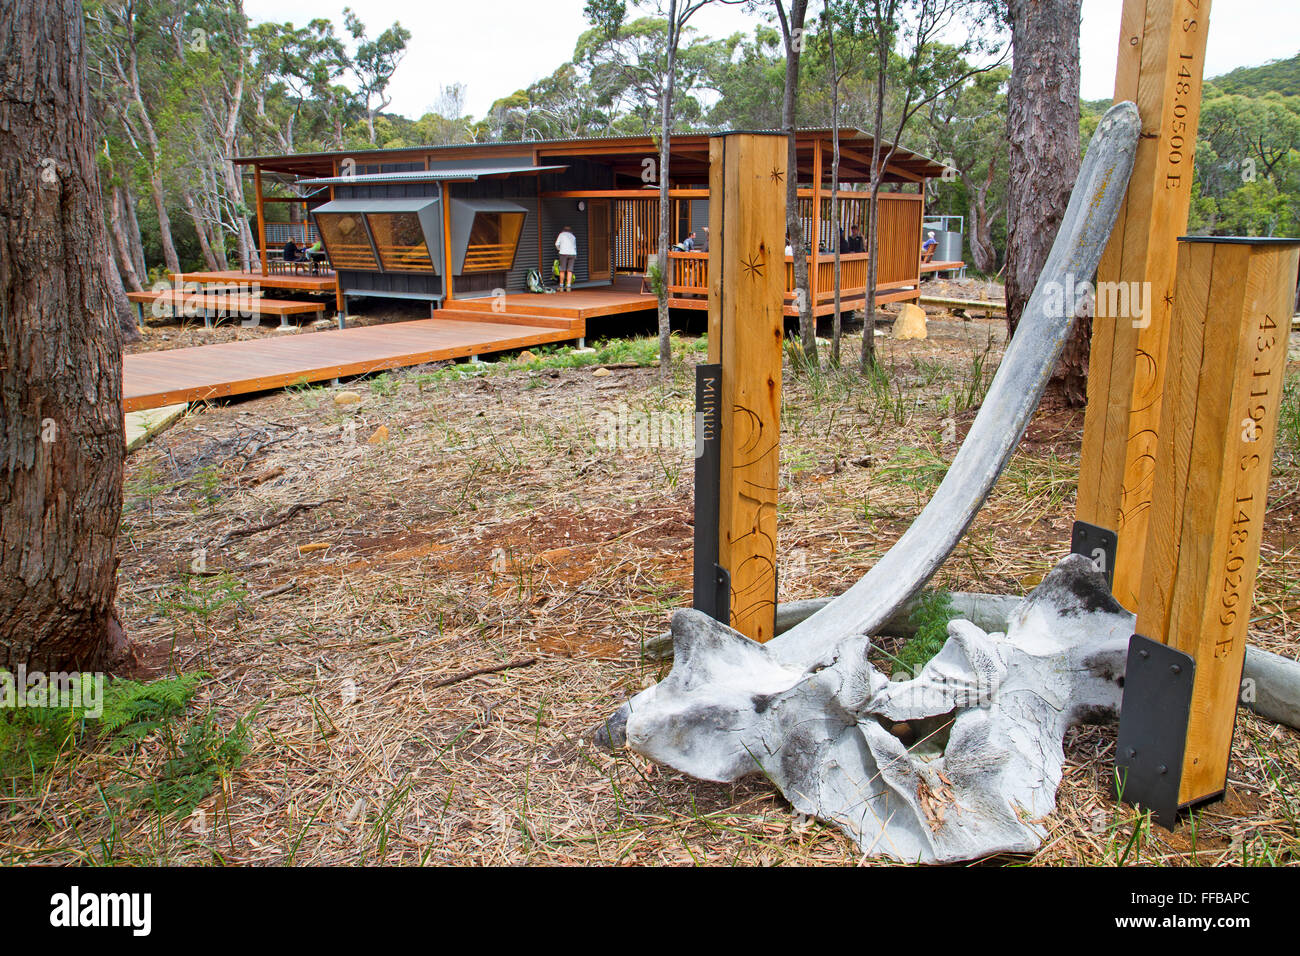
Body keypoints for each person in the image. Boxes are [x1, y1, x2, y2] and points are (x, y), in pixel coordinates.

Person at [555, 225, 577, 292]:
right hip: (572, 253)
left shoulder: (561, 235)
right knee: (570, 270)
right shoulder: (573, 236)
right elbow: (575, 246)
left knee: (562, 270)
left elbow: (556, 244)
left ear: (563, 230)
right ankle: (568, 287)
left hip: (563, 253)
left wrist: (559, 249)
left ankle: (561, 287)